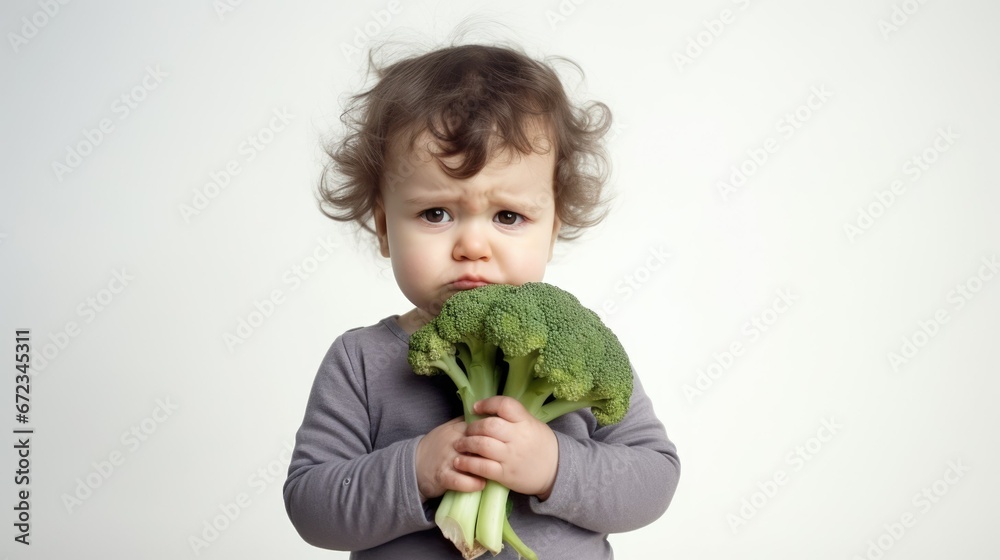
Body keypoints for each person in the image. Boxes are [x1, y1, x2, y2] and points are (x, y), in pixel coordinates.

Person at [283, 42, 680, 559]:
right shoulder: (359, 361)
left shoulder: (583, 354)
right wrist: (417, 468)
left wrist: (554, 465)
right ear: (383, 228)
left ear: (552, 230)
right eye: (435, 214)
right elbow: (311, 508)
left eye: (508, 216)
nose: (472, 246)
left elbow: (654, 480)